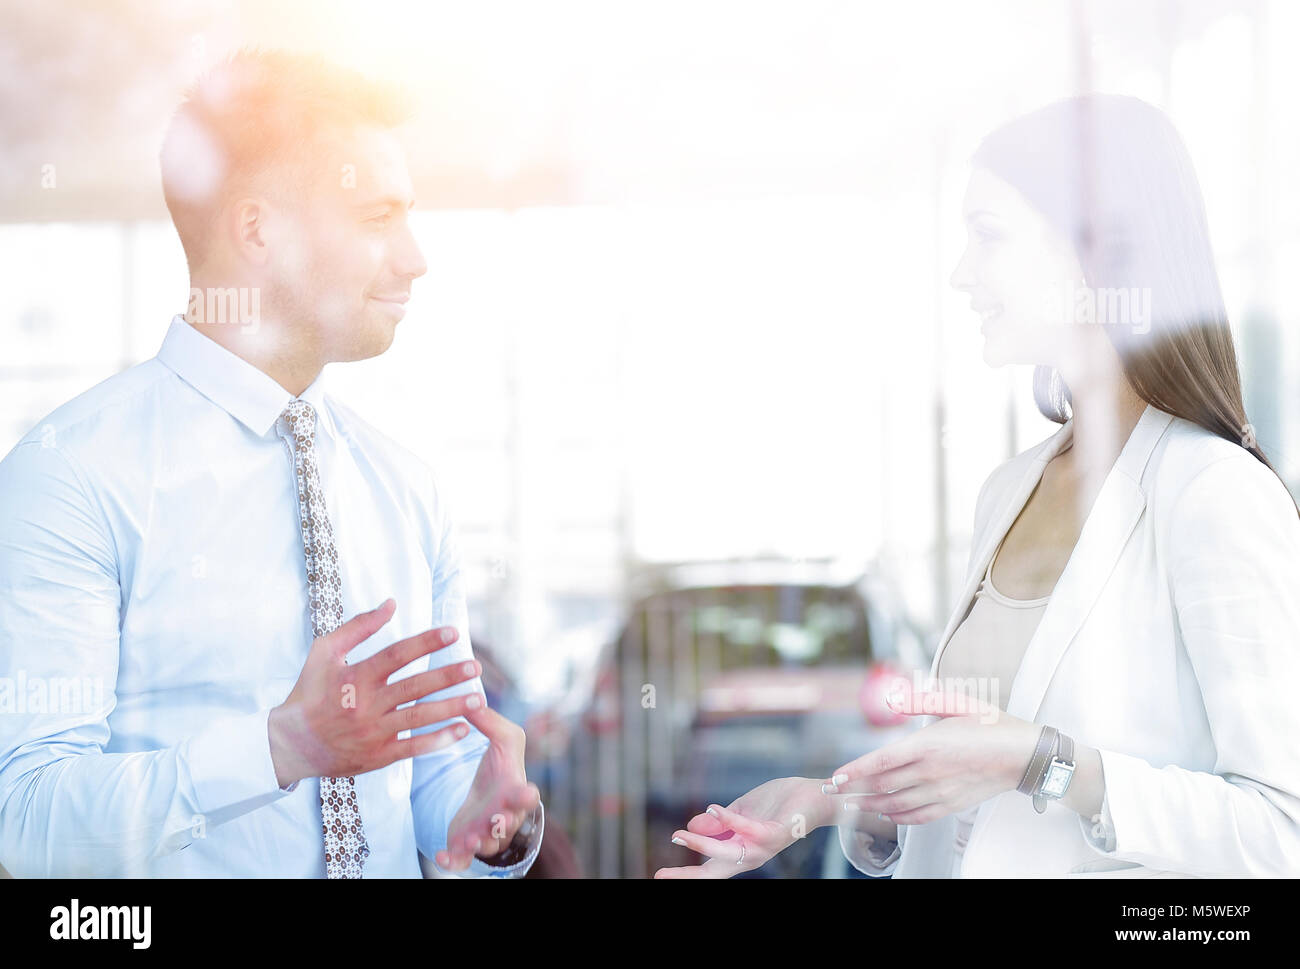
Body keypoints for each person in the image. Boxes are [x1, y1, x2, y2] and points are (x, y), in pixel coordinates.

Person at [656, 94, 1300, 878]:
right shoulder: (1010, 489)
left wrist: (1046, 761)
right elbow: (983, 805)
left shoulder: (1214, 495)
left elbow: (1280, 831)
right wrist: (825, 800)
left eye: (988, 235)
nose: (962, 273)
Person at [0, 48, 542, 877]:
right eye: (377, 218)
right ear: (259, 231)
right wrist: (278, 748)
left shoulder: (406, 488)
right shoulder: (72, 476)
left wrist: (485, 822)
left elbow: (434, 785)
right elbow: (26, 822)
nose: (415, 256)